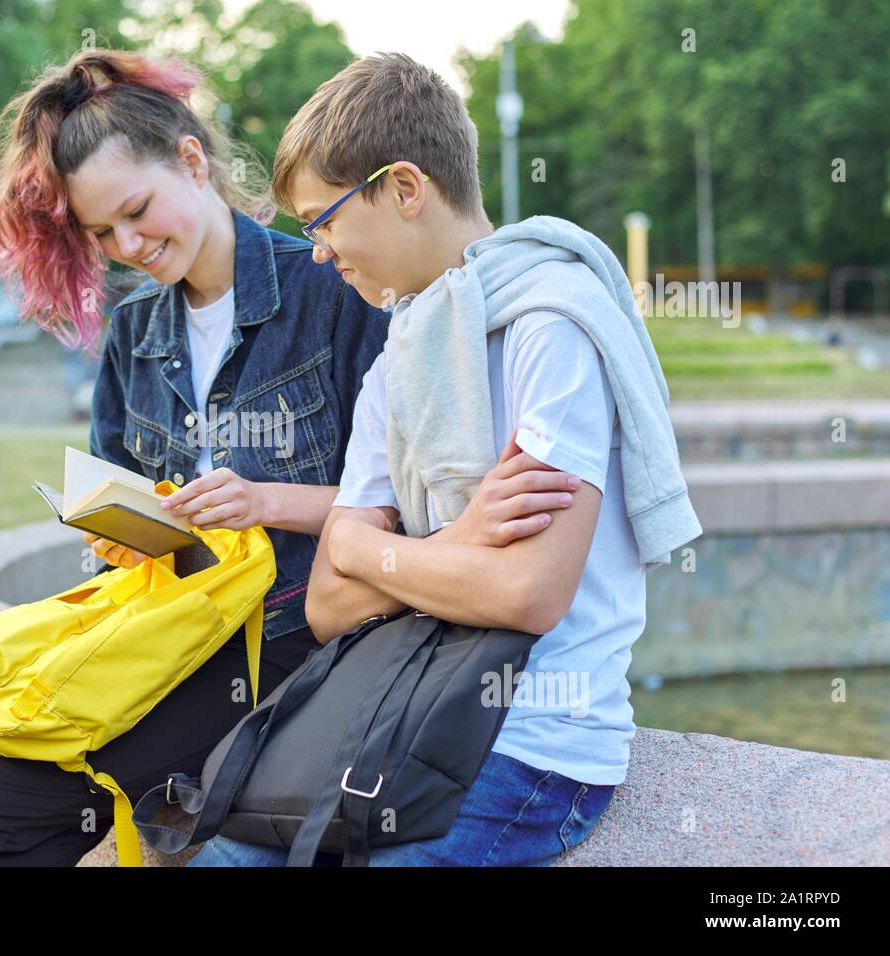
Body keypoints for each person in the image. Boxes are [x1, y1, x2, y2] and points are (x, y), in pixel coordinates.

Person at [0, 49, 574, 866]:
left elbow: (416, 509)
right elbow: (129, 521)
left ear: (191, 161)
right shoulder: (133, 335)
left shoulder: (341, 286)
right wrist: (123, 539)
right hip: (170, 640)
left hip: (298, 648)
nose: (129, 243)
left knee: (24, 808)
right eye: (102, 232)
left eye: (138, 210)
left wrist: (264, 500)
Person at [188, 53, 700, 867]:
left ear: (402, 187)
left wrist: (367, 549)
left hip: (534, 746)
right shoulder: (402, 355)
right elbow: (326, 603)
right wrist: (454, 545)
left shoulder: (551, 326)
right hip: (402, 713)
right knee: (217, 856)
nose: (317, 251)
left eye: (323, 219)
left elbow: (527, 593)